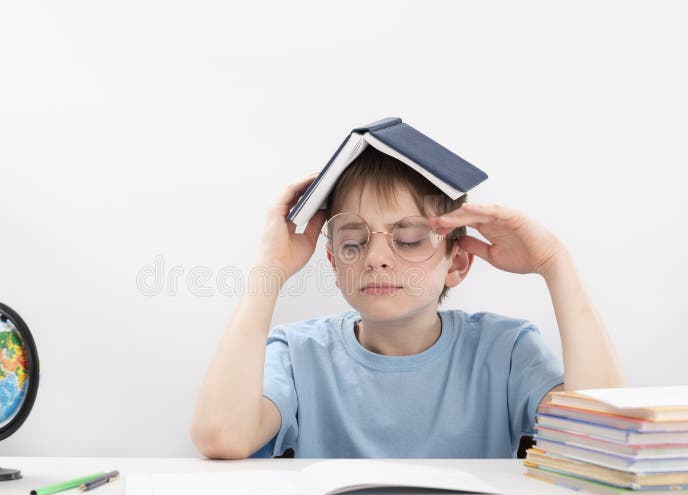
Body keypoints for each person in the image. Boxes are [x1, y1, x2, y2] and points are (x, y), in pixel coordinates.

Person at [190, 146, 624, 459]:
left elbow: (603, 437)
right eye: (354, 241)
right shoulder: (298, 355)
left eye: (410, 239)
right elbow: (221, 435)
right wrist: (271, 268)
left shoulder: (505, 351)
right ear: (334, 261)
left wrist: (555, 264)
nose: (376, 258)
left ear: (457, 264)